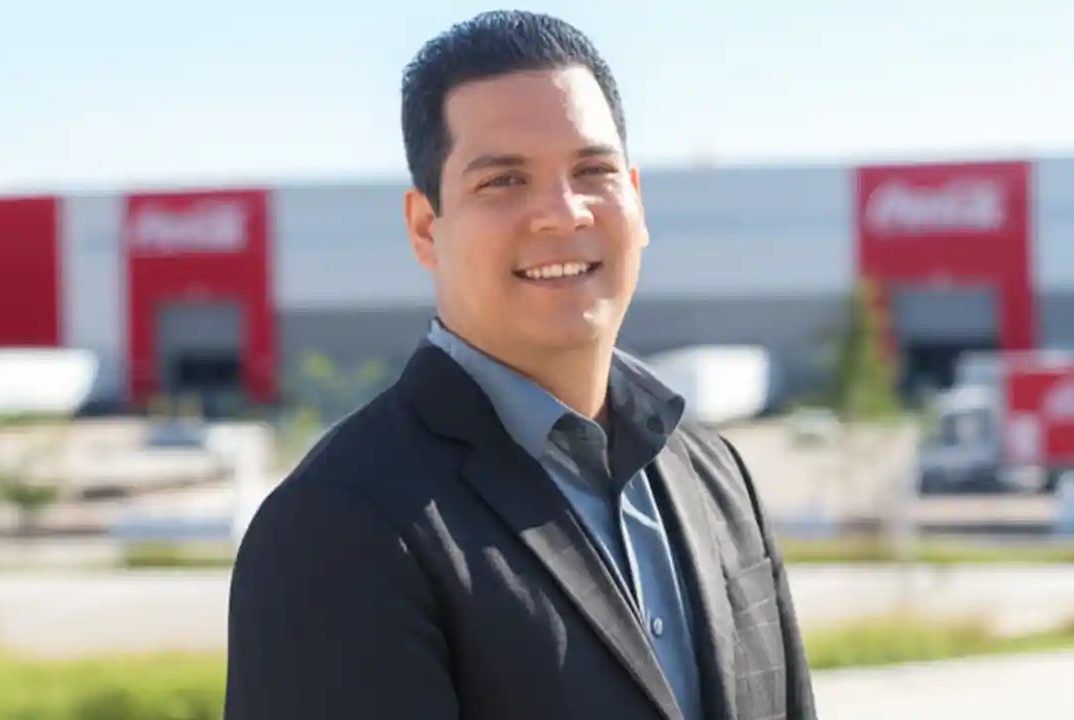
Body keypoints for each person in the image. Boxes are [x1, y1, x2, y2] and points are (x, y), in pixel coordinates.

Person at [224, 10, 817, 720]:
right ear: (424, 227)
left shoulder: (718, 476)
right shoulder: (336, 528)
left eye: (593, 170)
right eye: (504, 181)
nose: (561, 213)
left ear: (636, 197)